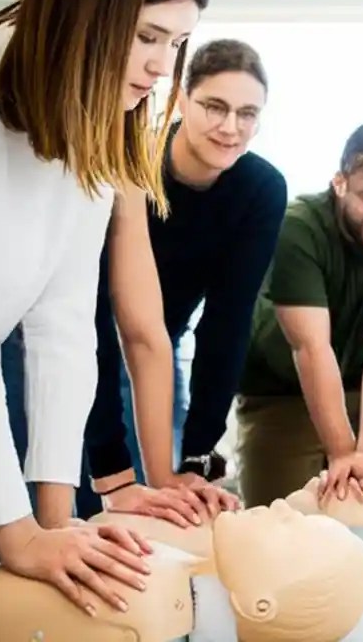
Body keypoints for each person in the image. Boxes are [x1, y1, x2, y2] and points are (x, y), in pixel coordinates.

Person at [0, 0, 208, 637]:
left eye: (175, 44)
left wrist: (56, 518)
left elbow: (63, 326)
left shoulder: (98, 125)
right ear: (86, 9)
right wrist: (15, 537)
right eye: (146, 36)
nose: (160, 69)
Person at [79, 39, 287, 521]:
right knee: (93, 497)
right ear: (180, 100)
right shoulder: (127, 164)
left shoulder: (261, 189)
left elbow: (226, 326)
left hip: (160, 352)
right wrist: (109, 459)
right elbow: (90, 318)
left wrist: (198, 456)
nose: (230, 127)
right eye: (215, 106)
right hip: (83, 344)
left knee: (167, 496)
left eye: (247, 113)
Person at [235, 123, 363, 508]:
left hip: (361, 393)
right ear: (340, 182)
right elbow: (311, 347)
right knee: (282, 538)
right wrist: (342, 452)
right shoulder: (298, 225)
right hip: (278, 396)